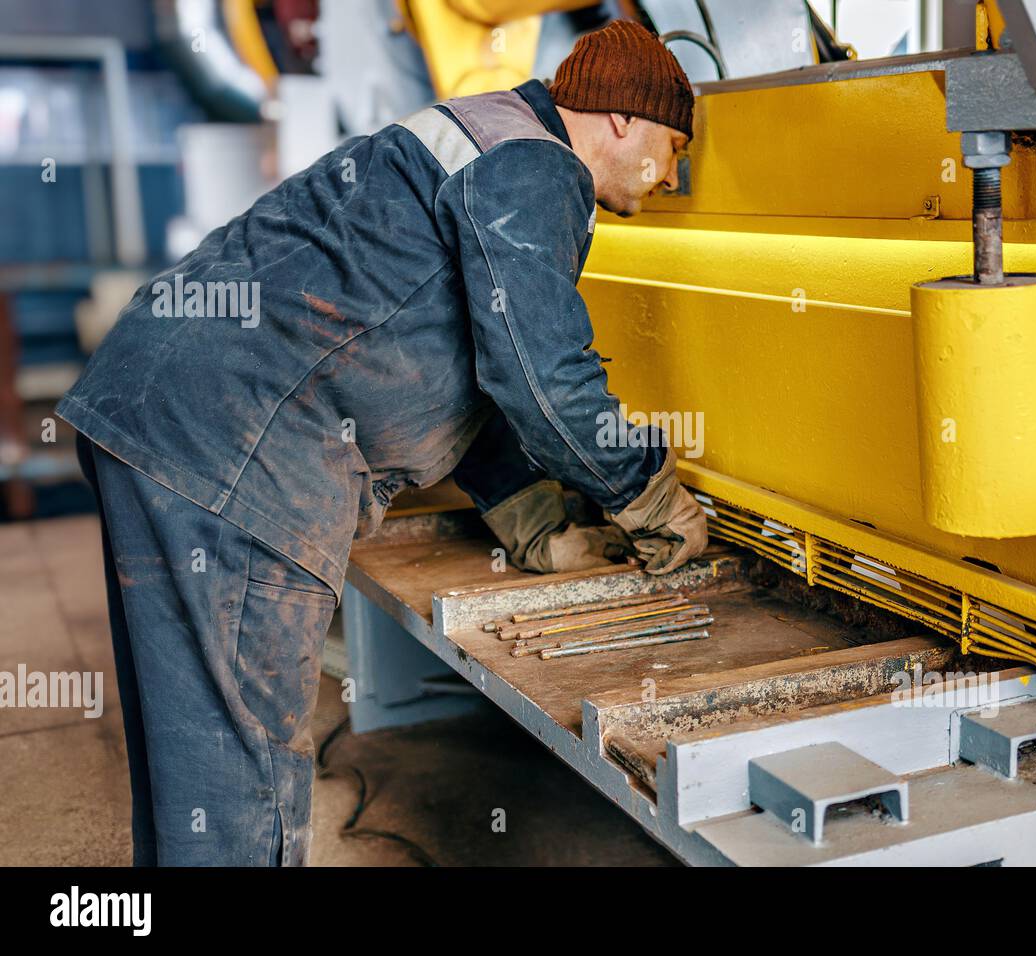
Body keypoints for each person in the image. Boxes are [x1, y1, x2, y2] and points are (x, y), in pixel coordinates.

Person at [57, 19, 708, 866]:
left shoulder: (480, 135)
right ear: (622, 119)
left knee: (194, 754)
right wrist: (647, 488)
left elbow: (452, 354)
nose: (674, 172)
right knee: (242, 766)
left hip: (154, 404)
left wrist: (534, 523)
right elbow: (541, 372)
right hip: (238, 449)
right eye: (672, 145)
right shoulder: (539, 168)